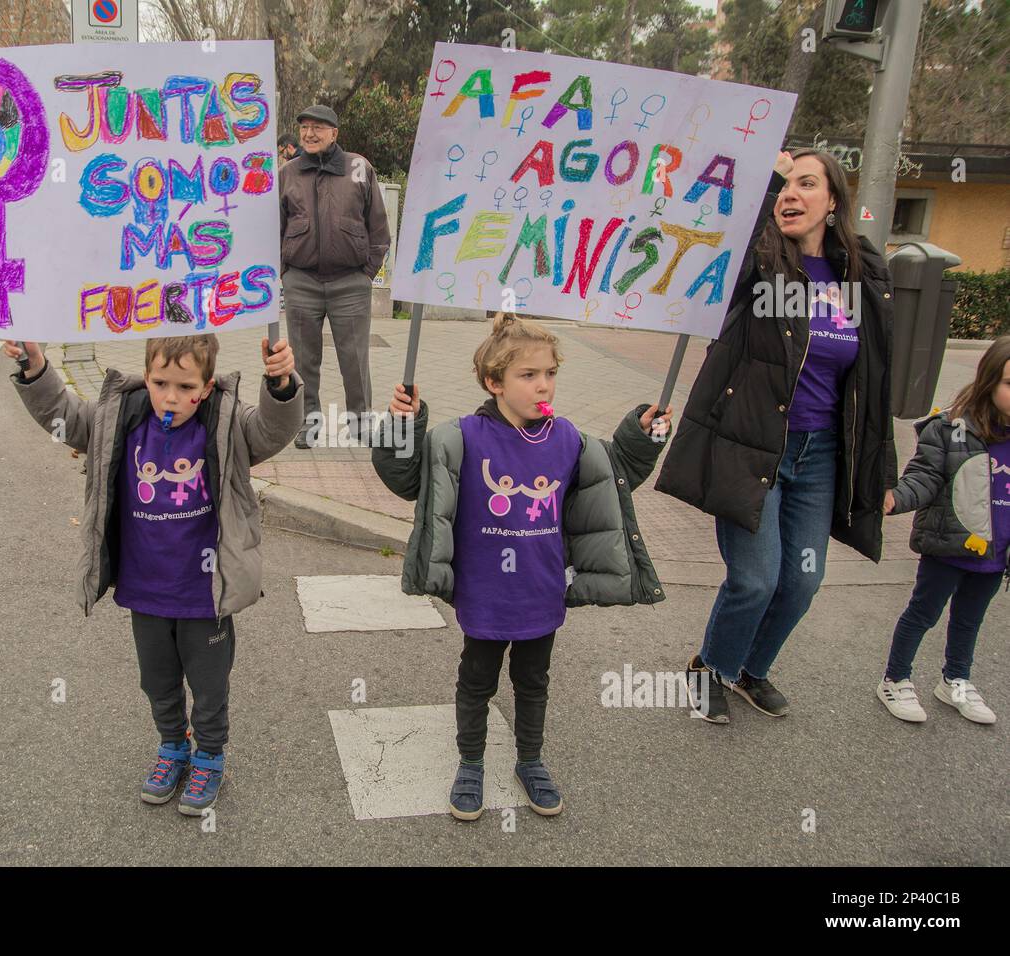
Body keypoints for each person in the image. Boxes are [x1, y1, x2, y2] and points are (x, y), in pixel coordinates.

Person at [372, 314, 672, 820]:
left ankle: (530, 760)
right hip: (485, 592)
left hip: (542, 590)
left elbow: (614, 475)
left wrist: (648, 434)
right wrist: (403, 425)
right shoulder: (461, 438)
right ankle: (470, 763)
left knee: (534, 681)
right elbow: (405, 477)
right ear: (495, 382)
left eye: (550, 373)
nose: (543, 385)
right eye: (528, 375)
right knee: (477, 680)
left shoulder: (567, 439)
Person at [3, 334, 302, 814]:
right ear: (146, 377)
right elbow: (65, 417)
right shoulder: (121, 416)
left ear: (206, 387)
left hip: (205, 593)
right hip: (145, 590)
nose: (171, 397)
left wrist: (281, 384)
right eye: (160, 383)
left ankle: (209, 755)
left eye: (185, 387)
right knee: (158, 681)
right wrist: (36, 369)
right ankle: (172, 746)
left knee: (209, 685)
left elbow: (271, 430)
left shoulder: (224, 421)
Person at [655, 148, 897, 724]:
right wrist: (768, 178)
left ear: (833, 201)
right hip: (753, 447)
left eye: (806, 184)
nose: (792, 193)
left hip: (821, 457)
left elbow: (874, 382)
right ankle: (710, 667)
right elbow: (726, 245)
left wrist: (882, 471)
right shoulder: (760, 264)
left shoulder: (858, 274)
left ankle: (748, 669)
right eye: (786, 186)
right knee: (755, 581)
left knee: (803, 580)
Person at [877, 336, 1010, 725]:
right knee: (923, 613)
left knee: (969, 620)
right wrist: (895, 498)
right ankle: (895, 679)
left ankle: (955, 680)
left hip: (995, 553)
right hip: (948, 545)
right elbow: (924, 476)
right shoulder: (951, 429)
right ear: (989, 381)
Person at [280, 104, 390, 448]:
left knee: (355, 361)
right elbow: (275, 227)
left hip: (350, 283)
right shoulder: (288, 173)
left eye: (318, 127)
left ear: (334, 133)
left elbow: (378, 227)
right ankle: (306, 424)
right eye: (304, 127)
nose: (309, 133)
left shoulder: (359, 168)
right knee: (303, 360)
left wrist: (366, 273)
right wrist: (285, 273)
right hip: (301, 282)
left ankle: (361, 424)